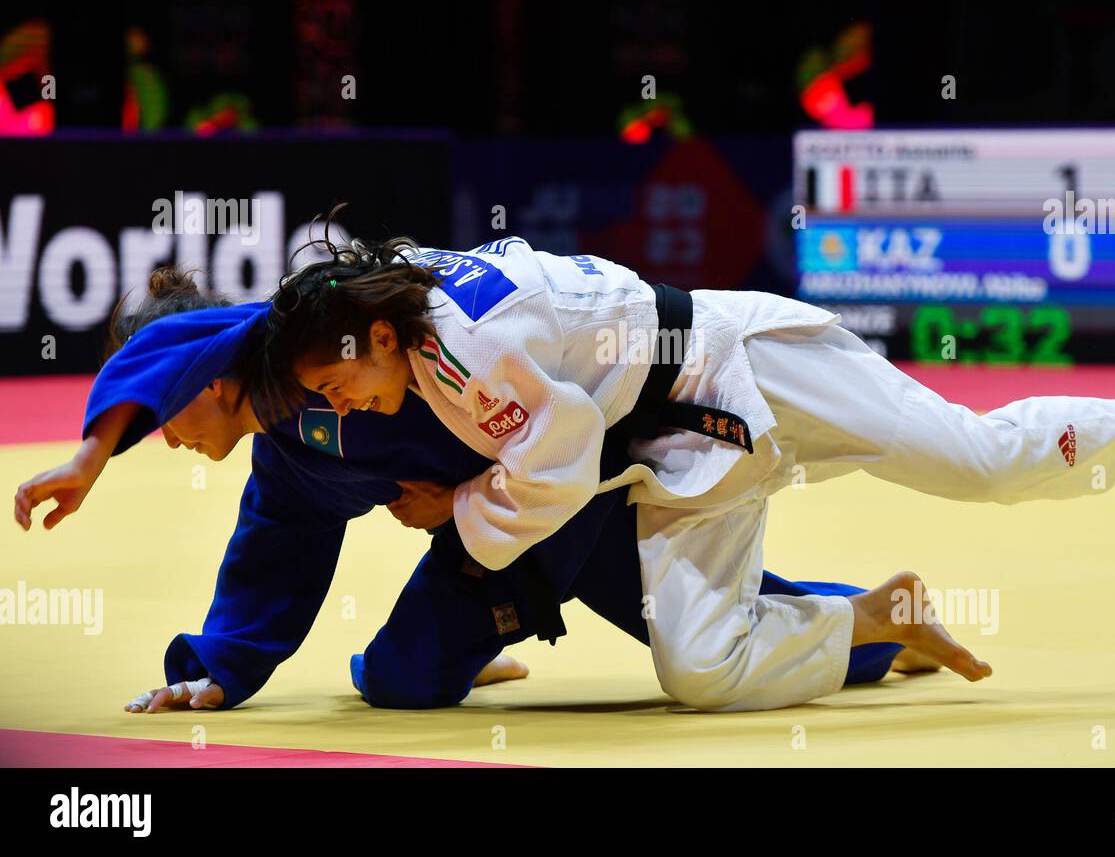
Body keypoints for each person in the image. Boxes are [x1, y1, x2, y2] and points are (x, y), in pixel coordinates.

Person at [257, 233, 1115, 712]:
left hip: (749, 363)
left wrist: (458, 507)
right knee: (701, 672)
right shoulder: (410, 303)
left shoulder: (467, 351)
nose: (334, 405)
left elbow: (558, 472)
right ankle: (878, 617)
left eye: (331, 381)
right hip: (680, 451)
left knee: (978, 461)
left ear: (376, 336)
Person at [13, 269, 907, 713]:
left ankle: (874, 625)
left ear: (201, 375)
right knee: (396, 676)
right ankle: (880, 623)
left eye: (157, 417)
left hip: (569, 485)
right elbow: (275, 551)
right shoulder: (286, 447)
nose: (162, 438)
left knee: (691, 635)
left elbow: (537, 436)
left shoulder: (321, 346)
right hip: (512, 518)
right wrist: (220, 667)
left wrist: (91, 455)